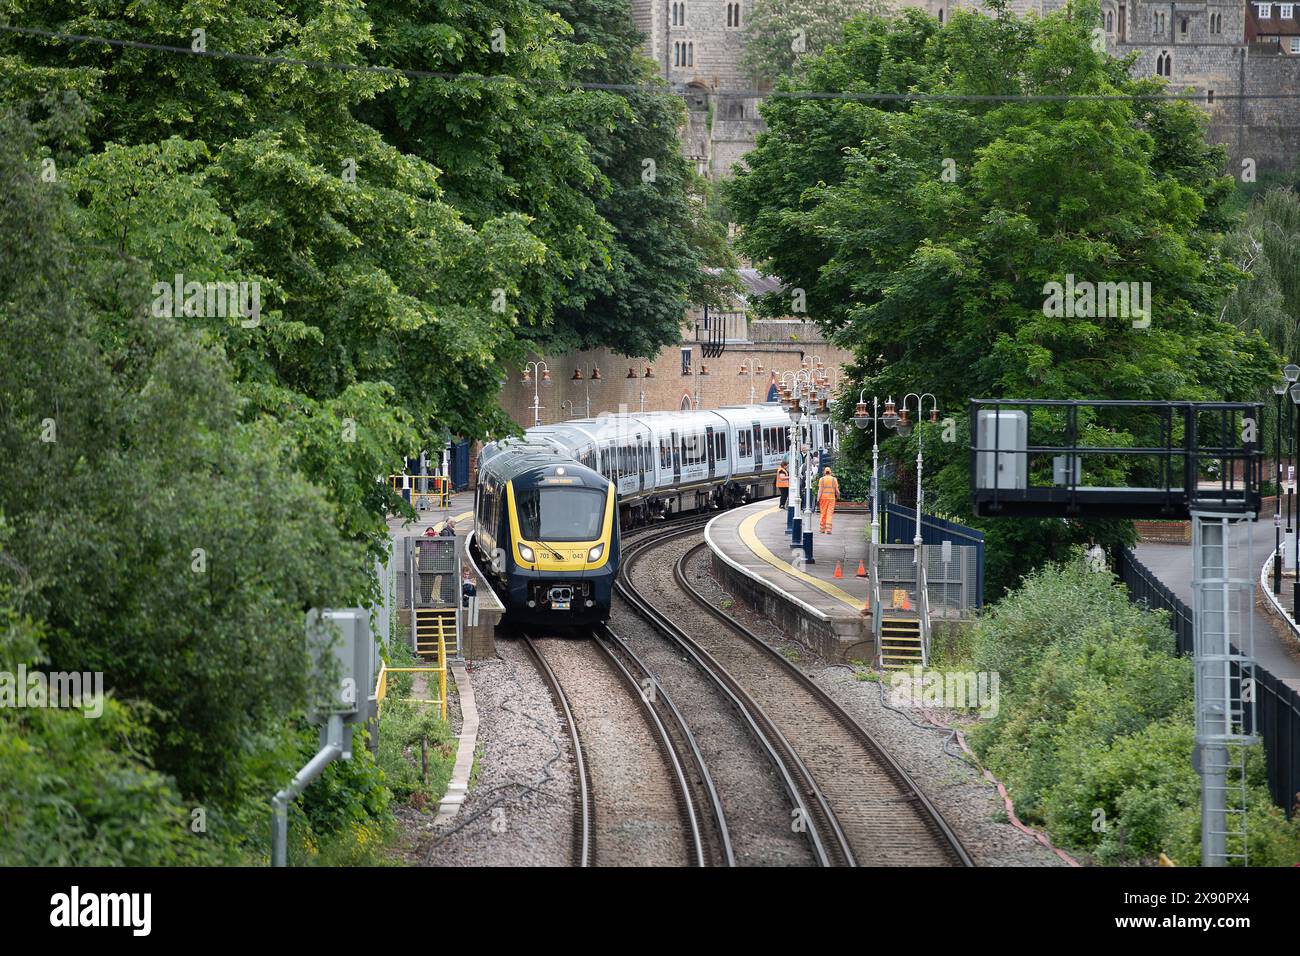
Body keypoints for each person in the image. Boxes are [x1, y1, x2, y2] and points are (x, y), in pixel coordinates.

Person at [817, 466, 840, 534]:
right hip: (831, 499)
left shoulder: (821, 479)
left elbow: (820, 490)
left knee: (823, 513)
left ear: (824, 472)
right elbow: (837, 490)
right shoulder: (834, 479)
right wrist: (838, 496)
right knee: (829, 514)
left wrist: (818, 499)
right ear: (830, 472)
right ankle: (829, 529)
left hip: (823, 499)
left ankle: (822, 529)